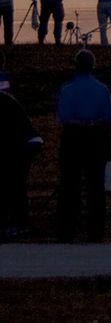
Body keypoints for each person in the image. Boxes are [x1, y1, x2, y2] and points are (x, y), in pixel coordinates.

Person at [56, 50, 111, 243]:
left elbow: (63, 118)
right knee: (96, 187)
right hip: (95, 137)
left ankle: (67, 230)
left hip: (72, 137)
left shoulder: (67, 90)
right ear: (93, 66)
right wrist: (108, 146)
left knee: (68, 186)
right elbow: (108, 120)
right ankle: (95, 231)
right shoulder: (102, 89)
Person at [0, 54, 43, 239]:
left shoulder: (5, 99)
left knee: (13, 184)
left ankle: (16, 224)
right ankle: (17, 223)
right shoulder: (7, 94)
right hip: (26, 142)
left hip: (21, 145)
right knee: (15, 184)